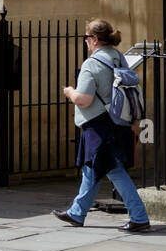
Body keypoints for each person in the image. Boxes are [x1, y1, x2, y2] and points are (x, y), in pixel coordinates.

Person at [53, 19, 151, 232]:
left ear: (95, 39)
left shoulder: (91, 64)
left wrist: (70, 92)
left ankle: (140, 217)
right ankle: (76, 213)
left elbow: (84, 99)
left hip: (99, 127)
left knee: (114, 170)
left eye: (87, 38)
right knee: (92, 169)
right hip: (119, 122)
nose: (86, 42)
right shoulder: (119, 58)